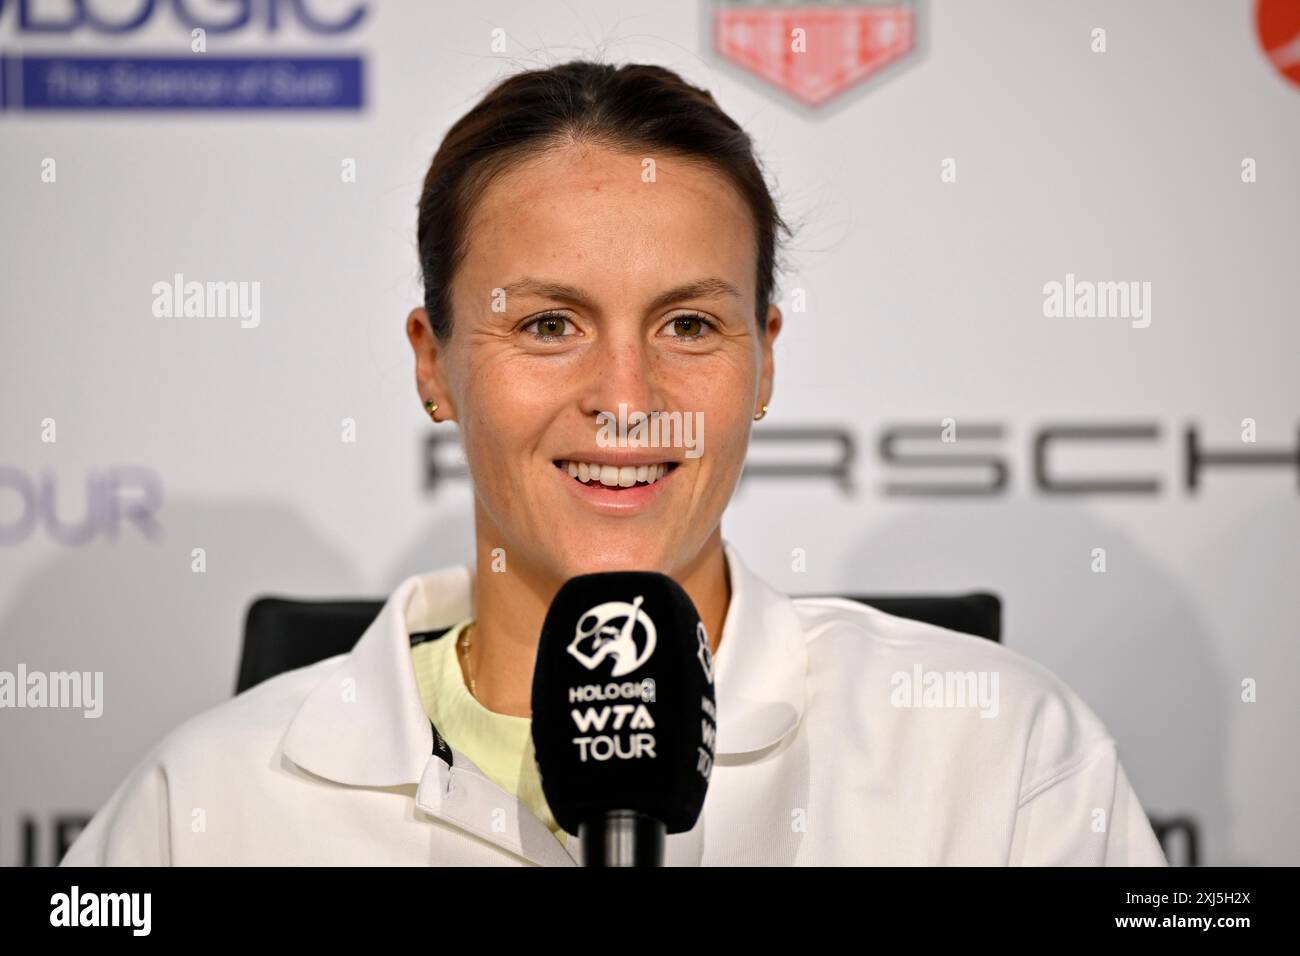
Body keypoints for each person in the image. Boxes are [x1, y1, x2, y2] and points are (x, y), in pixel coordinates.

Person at [62, 60, 1167, 866]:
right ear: (432, 362)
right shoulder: (202, 804)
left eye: (688, 325)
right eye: (549, 325)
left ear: (763, 360)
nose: (626, 400)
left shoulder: (999, 758)